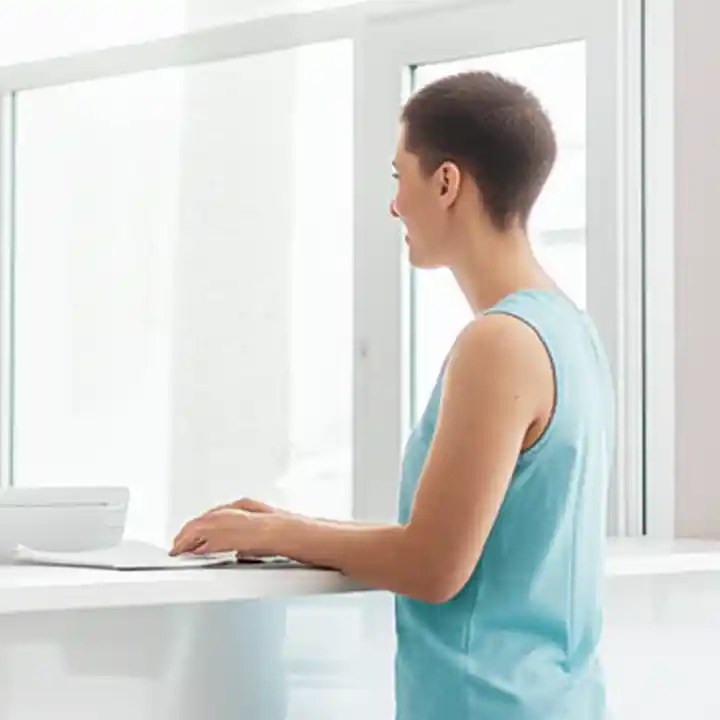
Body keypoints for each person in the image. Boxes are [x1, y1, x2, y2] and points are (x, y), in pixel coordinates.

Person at [171, 71, 614, 718]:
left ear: (446, 182)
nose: (394, 204)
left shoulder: (500, 344)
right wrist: (288, 529)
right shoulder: (569, 332)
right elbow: (463, 539)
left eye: (398, 176)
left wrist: (284, 530)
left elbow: (436, 564)